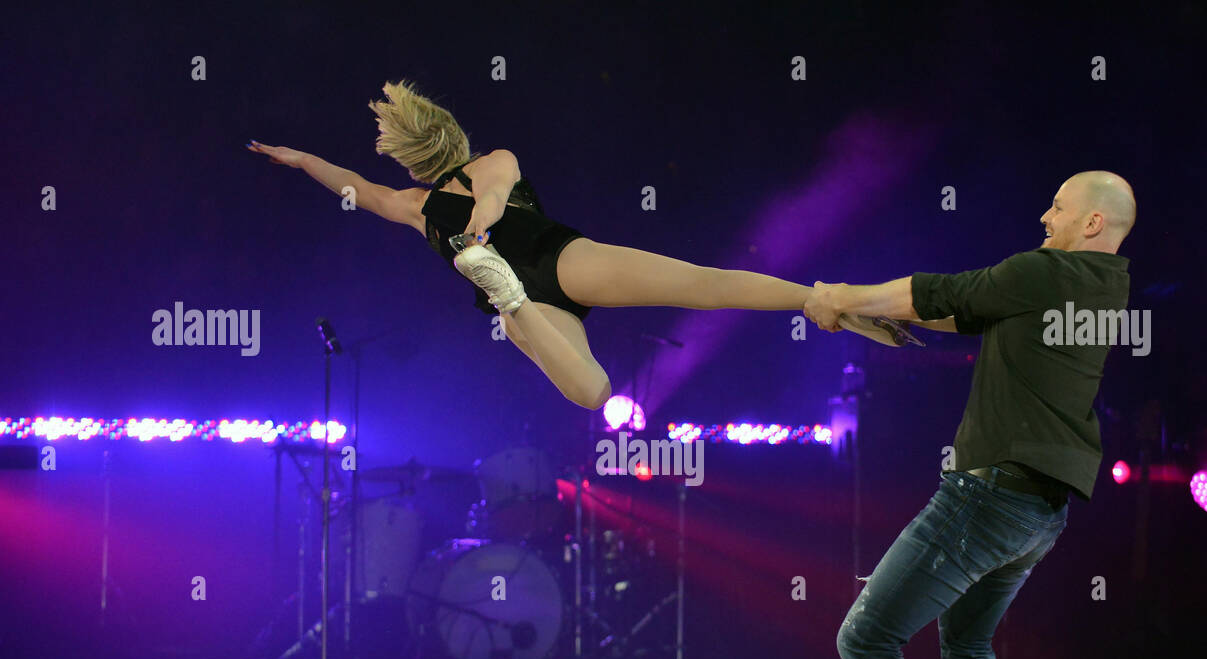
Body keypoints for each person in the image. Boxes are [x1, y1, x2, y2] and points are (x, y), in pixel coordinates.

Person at [804, 171, 1136, 659]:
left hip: (987, 499)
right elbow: (967, 311)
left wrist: (842, 299)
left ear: (1093, 225)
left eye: (1059, 207)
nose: (1044, 214)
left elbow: (944, 293)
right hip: (1042, 514)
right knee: (967, 639)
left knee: (866, 635)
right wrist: (882, 317)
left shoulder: (1045, 271)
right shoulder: (1105, 288)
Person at [248, 80, 910, 411]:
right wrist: (305, 159)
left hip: (536, 277)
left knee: (628, 355)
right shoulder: (422, 196)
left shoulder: (454, 185)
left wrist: (479, 226)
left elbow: (494, 194)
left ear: (419, 148)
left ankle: (824, 299)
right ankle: (822, 298)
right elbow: (363, 186)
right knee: (611, 377)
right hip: (548, 272)